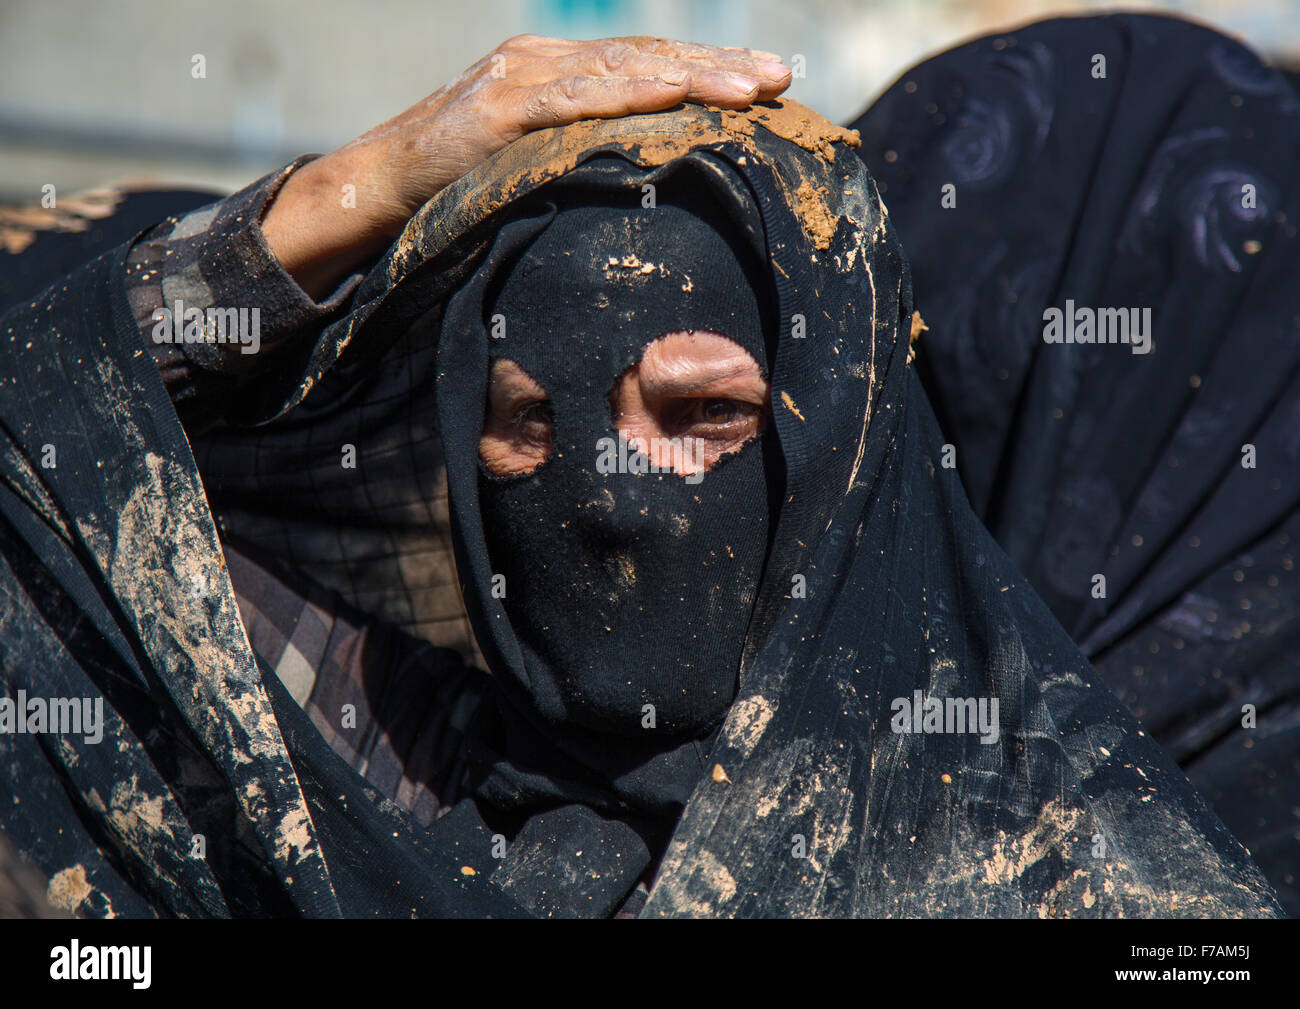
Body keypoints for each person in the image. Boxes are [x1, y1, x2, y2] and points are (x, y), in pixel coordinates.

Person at [0, 23, 1287, 918]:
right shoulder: (340, 764)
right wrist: (358, 187)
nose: (606, 495)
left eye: (702, 417)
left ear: (835, 441)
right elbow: (40, 464)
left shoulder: (1080, 871)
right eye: (524, 424)